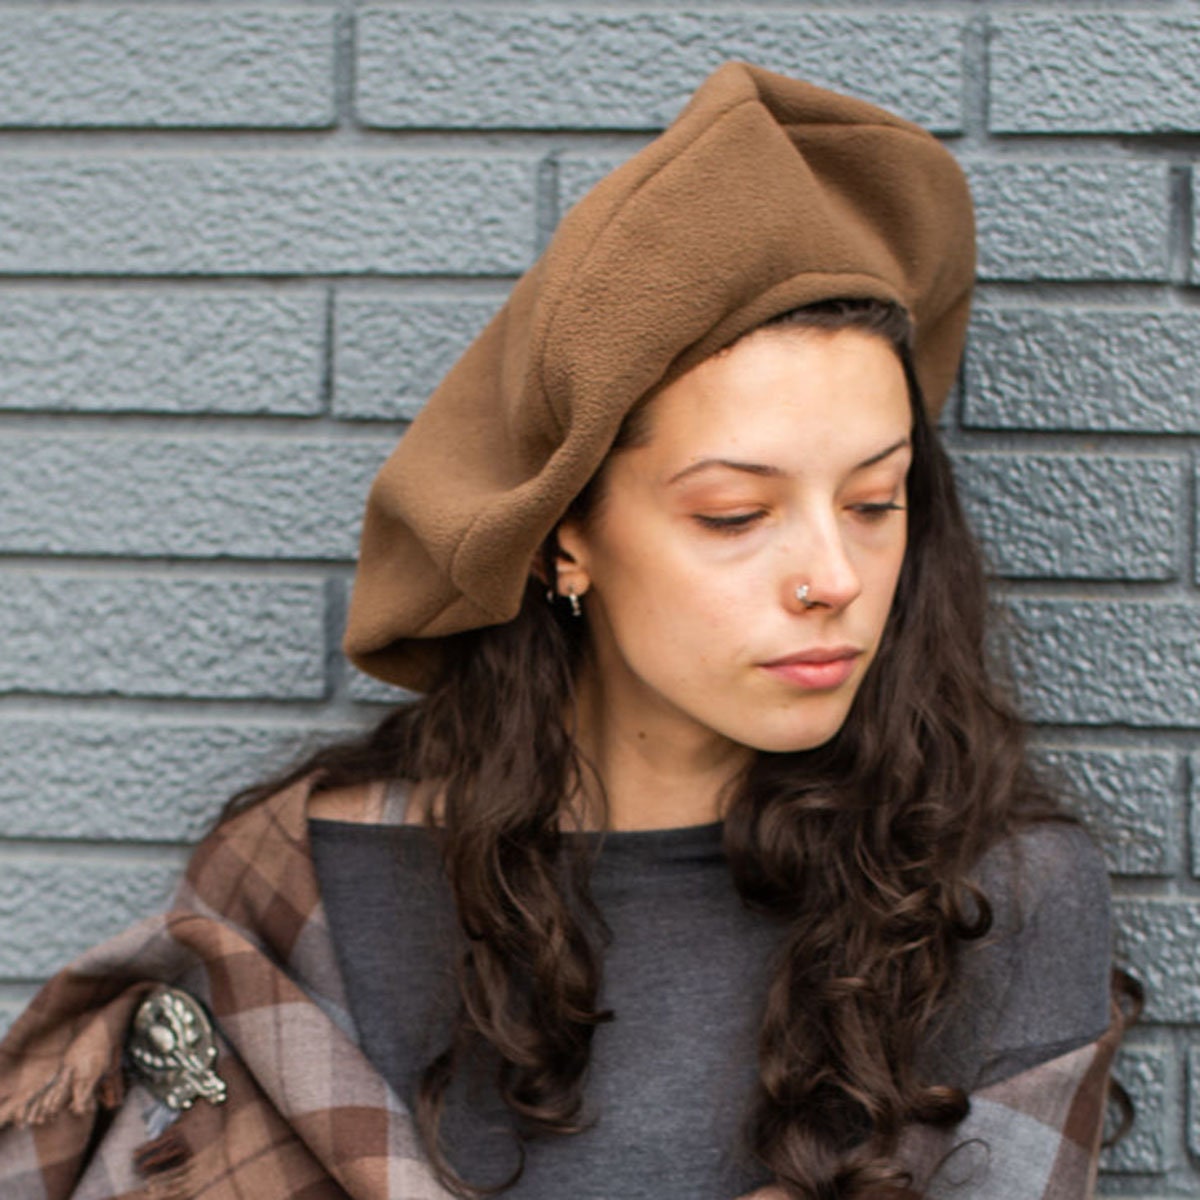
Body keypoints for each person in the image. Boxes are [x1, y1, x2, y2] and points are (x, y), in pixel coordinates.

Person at [0, 60, 1132, 1200]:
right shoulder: (296, 892)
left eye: (876, 504)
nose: (834, 577)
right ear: (562, 539)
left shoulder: (989, 899)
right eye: (737, 515)